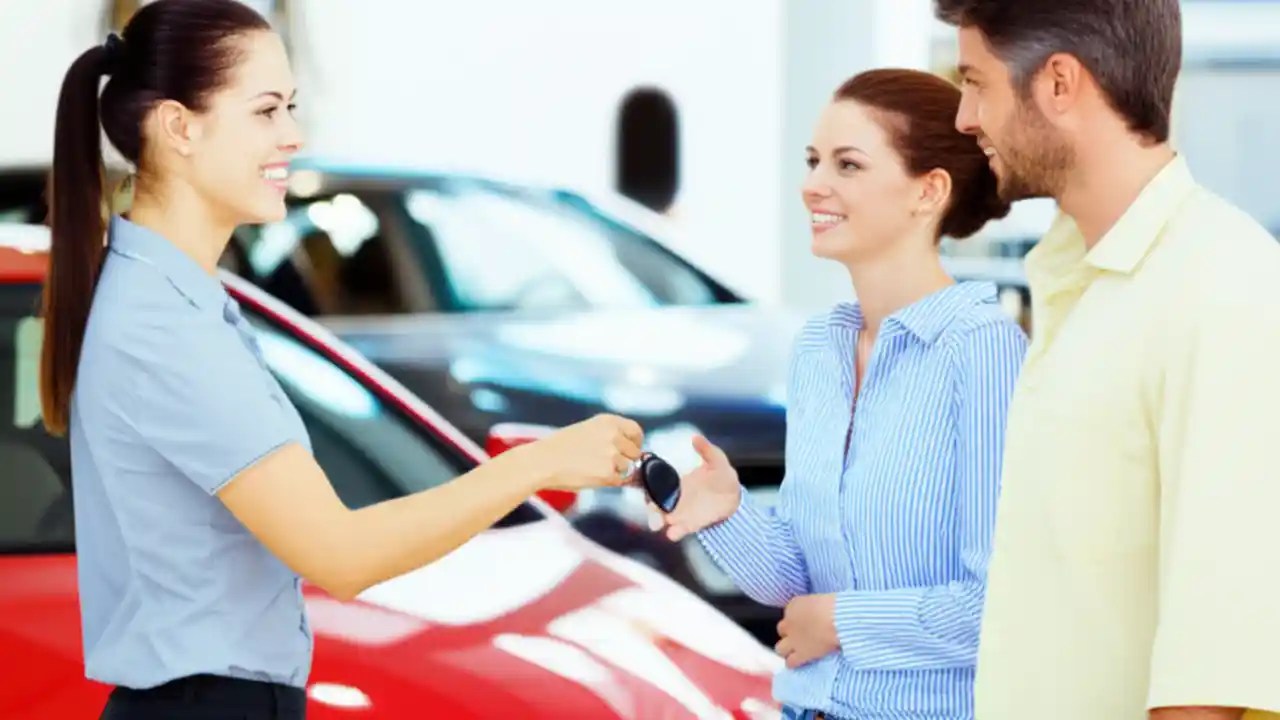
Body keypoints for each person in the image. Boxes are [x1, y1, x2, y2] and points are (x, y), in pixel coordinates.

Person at [43, 2, 644, 718]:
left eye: (290, 108)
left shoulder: (180, 299)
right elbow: (339, 553)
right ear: (180, 128)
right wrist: (532, 468)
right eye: (266, 111)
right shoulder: (162, 324)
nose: (292, 136)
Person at [934, 1, 1280, 719]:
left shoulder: (1224, 287)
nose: (965, 117)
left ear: (1059, 83)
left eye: (976, 81)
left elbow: (1216, 661)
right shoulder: (1072, 278)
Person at [651, 69, 1027, 720]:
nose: (813, 186)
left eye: (847, 165)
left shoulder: (984, 350)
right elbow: (797, 581)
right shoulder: (818, 348)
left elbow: (1000, 603)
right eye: (813, 161)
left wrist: (843, 623)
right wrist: (723, 513)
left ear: (928, 192)